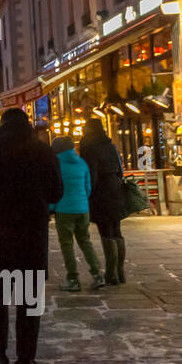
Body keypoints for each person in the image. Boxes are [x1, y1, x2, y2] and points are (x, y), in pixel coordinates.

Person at [0, 108, 62, 364]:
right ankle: (25, 360)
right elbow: (57, 191)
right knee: (28, 298)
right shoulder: (42, 151)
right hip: (32, 233)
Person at [50, 136, 105, 291]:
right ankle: (97, 274)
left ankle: (72, 278)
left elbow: (54, 188)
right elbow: (88, 187)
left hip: (64, 209)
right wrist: (82, 201)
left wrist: (52, 207)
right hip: (82, 208)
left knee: (67, 244)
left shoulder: (56, 164)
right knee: (85, 241)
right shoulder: (81, 162)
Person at [81, 119, 127, 285]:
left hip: (101, 190)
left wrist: (88, 193)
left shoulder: (89, 147)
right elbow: (121, 169)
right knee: (116, 229)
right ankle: (120, 272)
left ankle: (111, 273)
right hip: (116, 187)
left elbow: (91, 173)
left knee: (106, 230)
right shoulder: (111, 145)